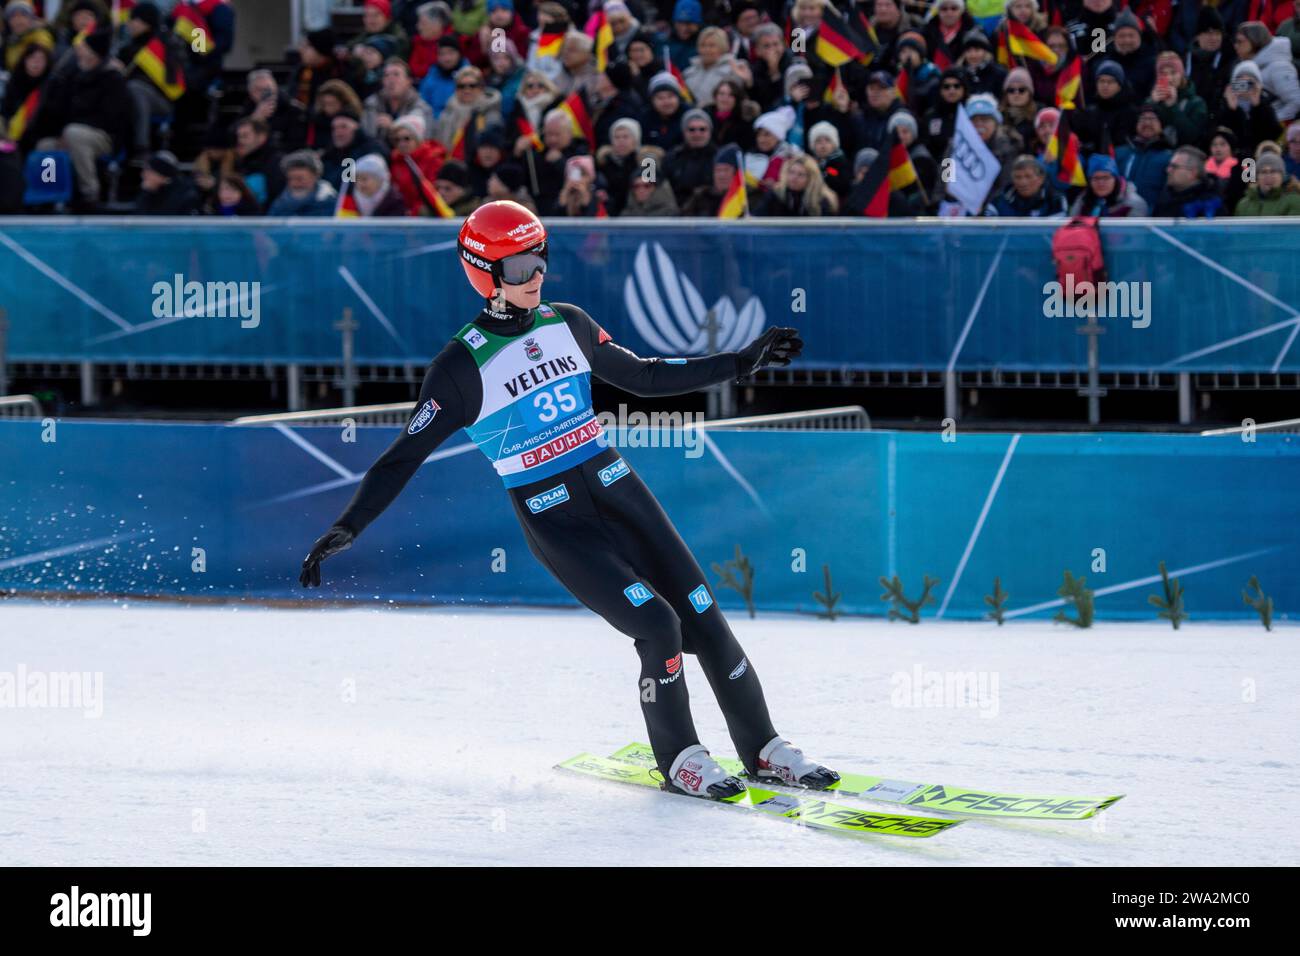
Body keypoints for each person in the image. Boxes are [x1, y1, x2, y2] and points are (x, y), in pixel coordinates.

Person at [298, 201, 834, 800]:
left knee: (703, 614)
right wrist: (350, 525)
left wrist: (741, 360)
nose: (537, 275)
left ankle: (763, 748)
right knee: (658, 625)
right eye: (523, 264)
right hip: (557, 518)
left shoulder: (568, 322)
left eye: (541, 257)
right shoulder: (459, 367)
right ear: (484, 270)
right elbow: (402, 455)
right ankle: (681, 757)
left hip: (619, 489)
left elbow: (648, 377)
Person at [1233, 149, 1300, 215]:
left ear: (1282, 176)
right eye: (1263, 172)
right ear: (1257, 177)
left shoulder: (1294, 201)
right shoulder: (1244, 204)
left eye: (1273, 171)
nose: (1268, 176)